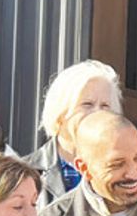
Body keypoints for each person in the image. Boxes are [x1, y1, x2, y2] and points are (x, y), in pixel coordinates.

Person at [27, 60, 125, 202]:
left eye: (105, 106)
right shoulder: (23, 173)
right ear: (60, 112)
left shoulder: (129, 174)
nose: (97, 113)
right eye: (87, 104)